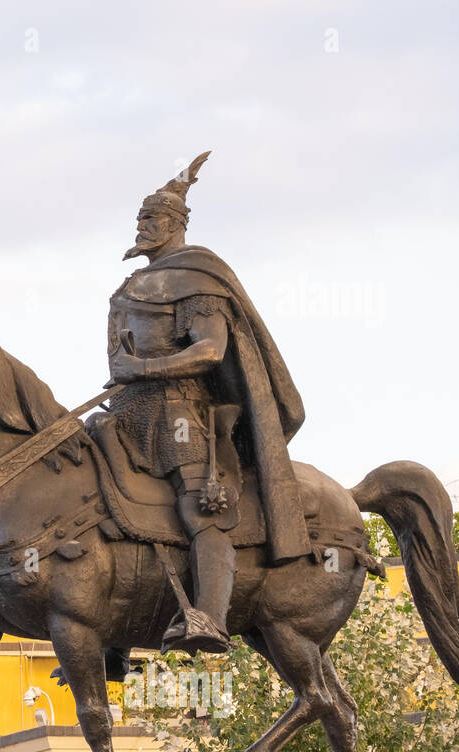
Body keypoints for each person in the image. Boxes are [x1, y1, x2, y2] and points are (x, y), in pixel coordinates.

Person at [98, 152, 308, 654]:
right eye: (140, 219)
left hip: (180, 414)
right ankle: (112, 638)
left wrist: (144, 370)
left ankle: (209, 617)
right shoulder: (131, 286)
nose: (142, 227)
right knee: (92, 497)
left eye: (151, 219)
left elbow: (210, 351)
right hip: (127, 411)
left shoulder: (197, 278)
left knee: (201, 510)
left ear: (174, 224)